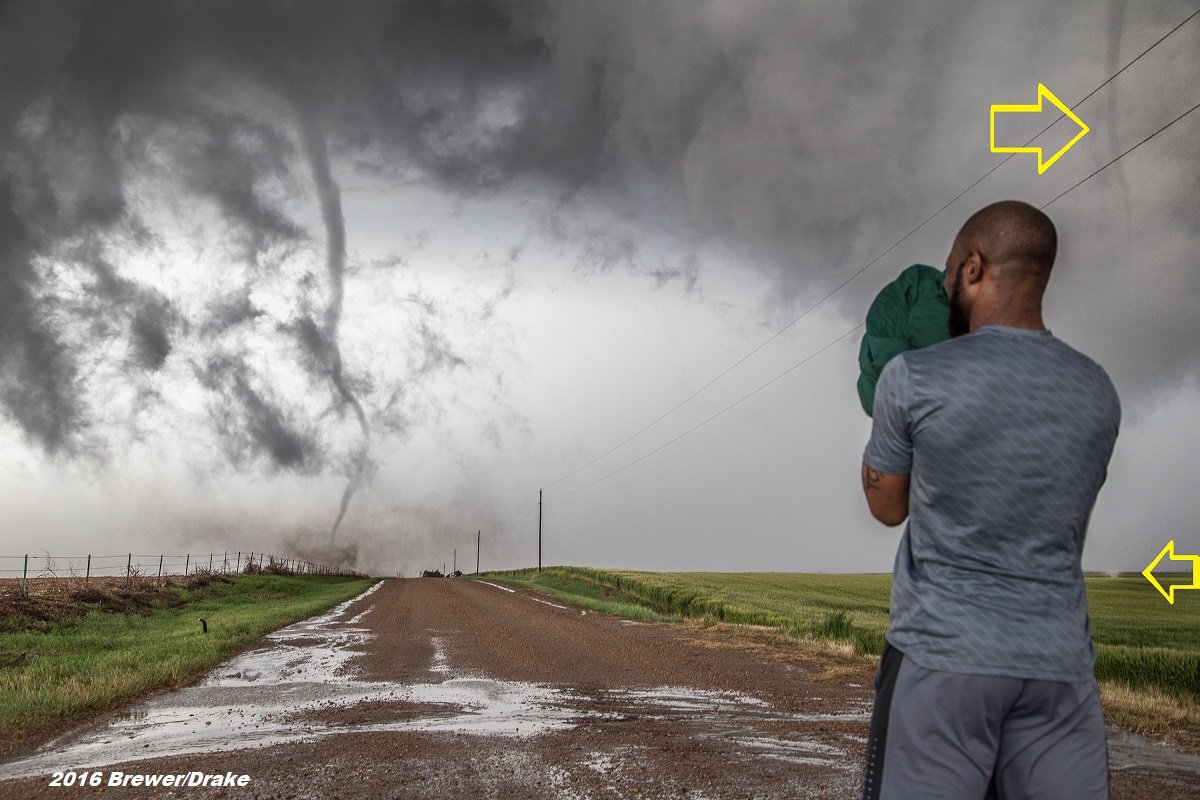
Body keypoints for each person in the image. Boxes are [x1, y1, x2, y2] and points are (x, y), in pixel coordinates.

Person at [858, 200, 1120, 799]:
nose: (947, 284)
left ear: (972, 268)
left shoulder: (915, 378)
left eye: (950, 272)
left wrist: (886, 397)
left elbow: (887, 505)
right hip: (1059, 668)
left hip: (945, 658)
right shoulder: (1097, 390)